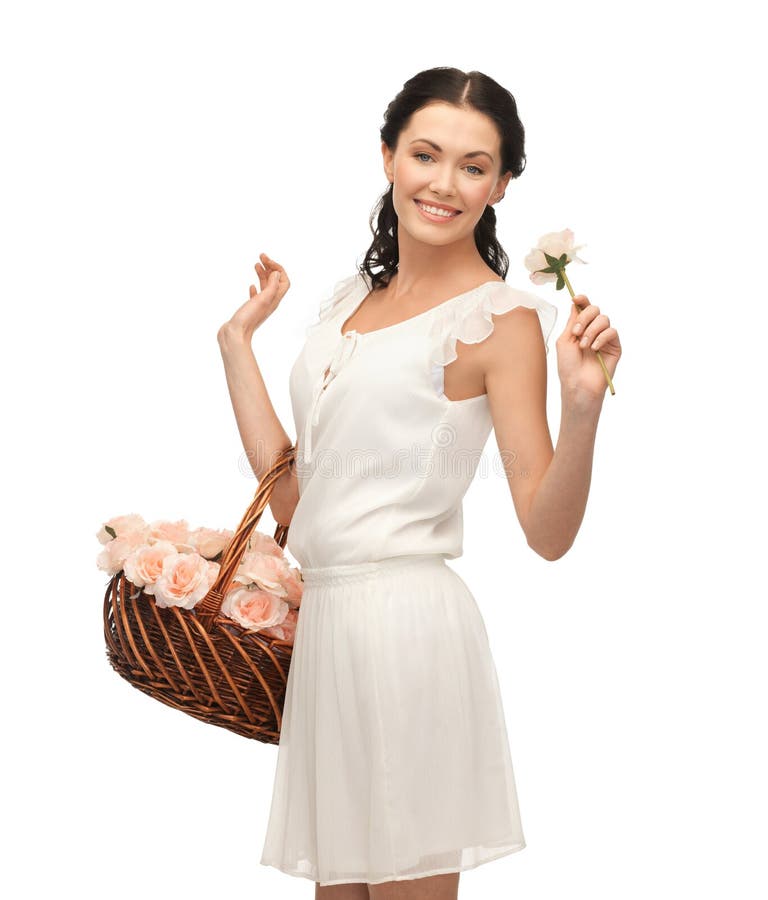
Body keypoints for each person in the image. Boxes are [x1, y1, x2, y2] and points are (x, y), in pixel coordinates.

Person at [217, 67, 621, 900]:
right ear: (388, 157)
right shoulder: (348, 303)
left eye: (474, 166)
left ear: (502, 183)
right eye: (425, 155)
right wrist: (237, 348)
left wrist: (581, 412)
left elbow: (546, 531)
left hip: (409, 634)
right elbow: (297, 507)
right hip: (330, 632)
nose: (444, 183)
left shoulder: (500, 320)